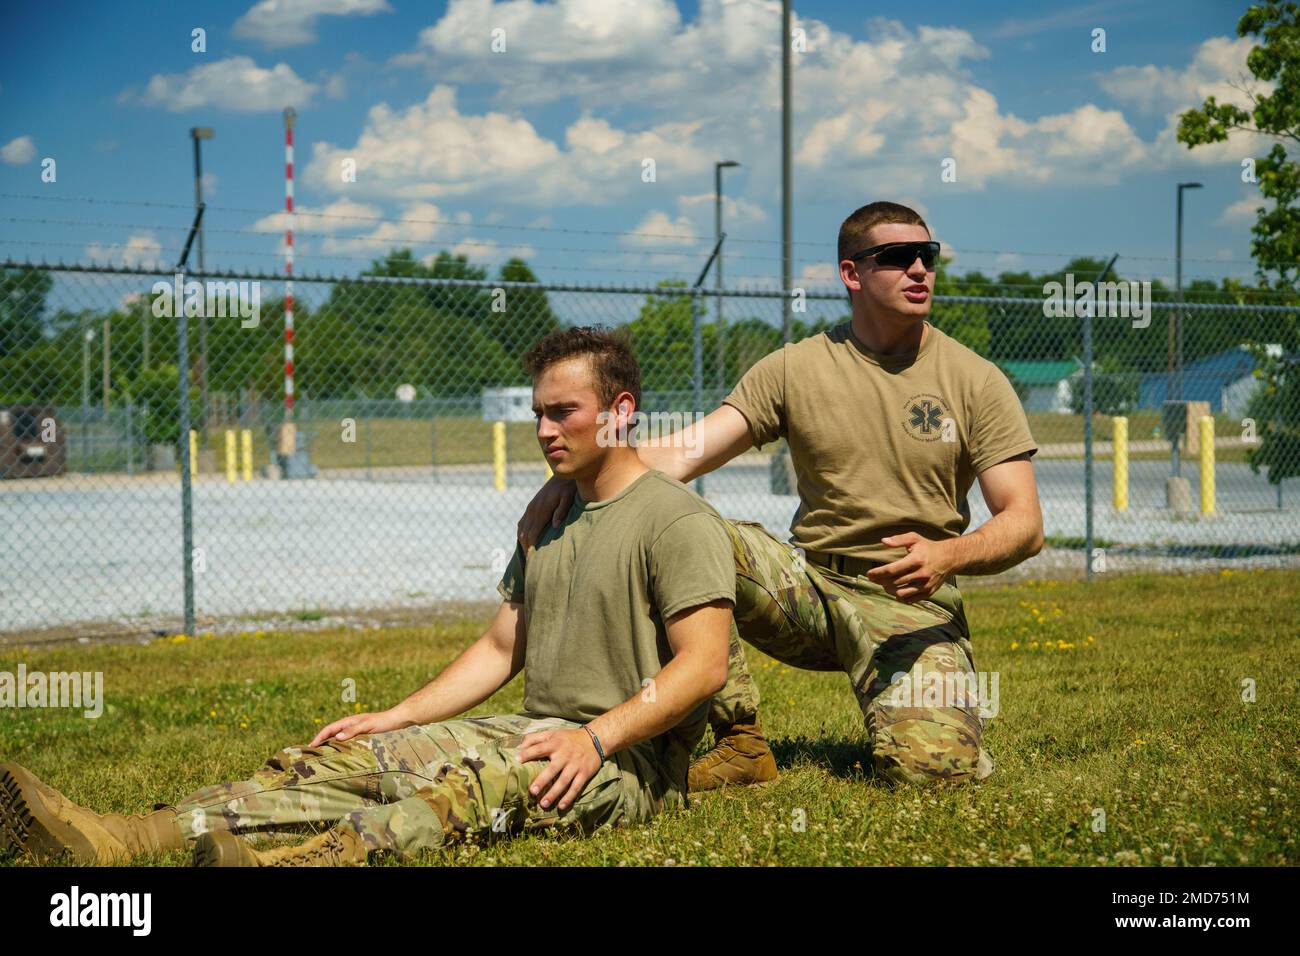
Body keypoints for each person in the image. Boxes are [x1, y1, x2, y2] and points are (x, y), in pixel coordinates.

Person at [0, 326, 734, 866]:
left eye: (562, 413)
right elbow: (500, 647)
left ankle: (288, 866)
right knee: (343, 764)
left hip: (625, 767)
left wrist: (596, 737)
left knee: (464, 793)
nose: (543, 430)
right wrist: (393, 718)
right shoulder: (551, 516)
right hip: (531, 727)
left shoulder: (677, 520)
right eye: (538, 413)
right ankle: (125, 837)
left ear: (620, 409)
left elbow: (703, 666)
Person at [518, 201, 1043, 790]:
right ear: (852, 273)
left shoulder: (974, 379)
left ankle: (939, 724)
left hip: (910, 604)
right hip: (808, 591)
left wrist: (947, 555)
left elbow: (1023, 522)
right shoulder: (795, 368)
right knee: (694, 533)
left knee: (936, 776)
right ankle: (741, 743)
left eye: (928, 255)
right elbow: (685, 454)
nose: (919, 268)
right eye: (898, 257)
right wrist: (571, 470)